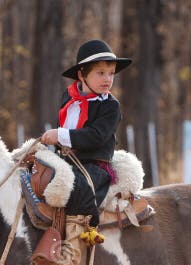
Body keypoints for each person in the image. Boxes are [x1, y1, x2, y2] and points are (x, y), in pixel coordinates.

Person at [40, 39, 132, 243]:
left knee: (79, 187)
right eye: (100, 73)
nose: (108, 79)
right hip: (66, 161)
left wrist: (59, 135)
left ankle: (81, 233)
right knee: (34, 176)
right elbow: (64, 130)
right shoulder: (69, 99)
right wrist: (52, 142)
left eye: (111, 73)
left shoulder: (110, 106)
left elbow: (96, 136)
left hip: (93, 163)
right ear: (82, 75)